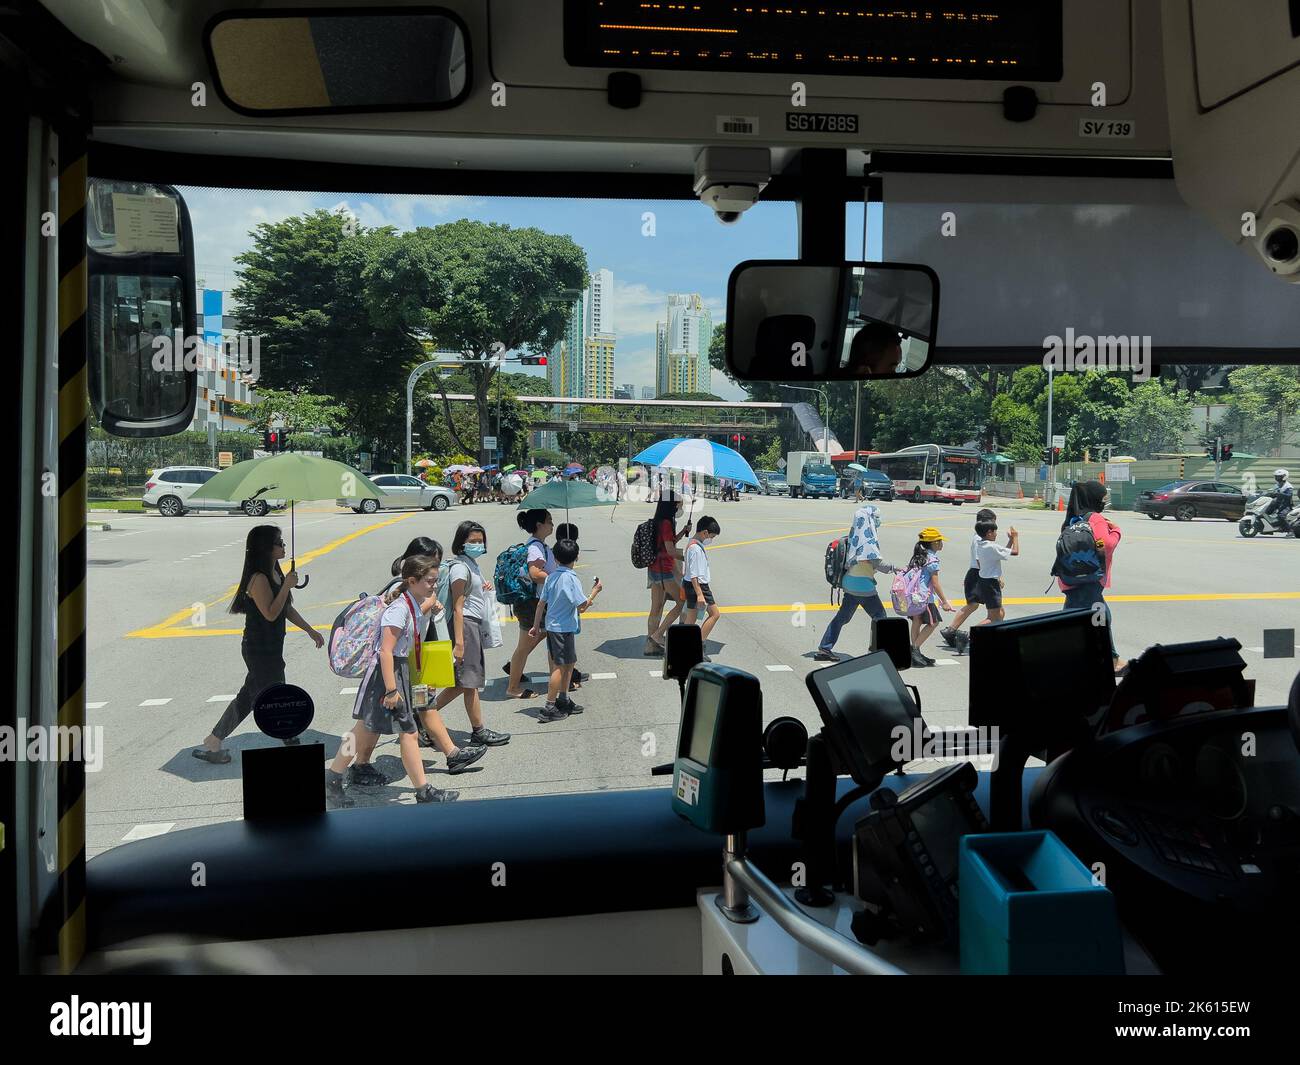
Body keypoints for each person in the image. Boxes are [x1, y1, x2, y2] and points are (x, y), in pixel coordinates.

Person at [326, 555, 472, 805]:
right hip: (386, 677)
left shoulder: (411, 602)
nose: (433, 586)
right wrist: (392, 690)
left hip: (396, 672)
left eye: (436, 581)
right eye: (429, 581)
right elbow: (385, 651)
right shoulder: (399, 609)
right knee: (381, 731)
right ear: (412, 581)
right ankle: (335, 777)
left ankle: (335, 777)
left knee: (394, 732)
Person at [194, 525, 321, 764]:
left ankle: (214, 741)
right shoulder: (258, 579)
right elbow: (271, 614)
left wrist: (310, 630)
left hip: (273, 646)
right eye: (279, 542)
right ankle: (289, 737)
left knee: (252, 695)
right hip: (258, 647)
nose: (283, 546)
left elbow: (286, 609)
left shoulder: (275, 570)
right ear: (266, 547)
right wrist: (286, 586)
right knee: (275, 693)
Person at [428, 521, 512, 744]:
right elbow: (457, 607)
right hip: (465, 626)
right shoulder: (459, 568)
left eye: (480, 541)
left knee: (462, 683)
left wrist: (483, 590)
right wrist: (459, 643)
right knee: (470, 682)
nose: (478, 544)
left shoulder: (471, 564)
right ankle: (478, 731)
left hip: (470, 625)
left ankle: (425, 719)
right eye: (472, 541)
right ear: (461, 543)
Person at [1057, 480, 1126, 674]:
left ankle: (1108, 659)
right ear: (1095, 499)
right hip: (1089, 579)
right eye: (1103, 498)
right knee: (1089, 620)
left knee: (1099, 616)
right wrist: (1117, 531)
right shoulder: (1095, 518)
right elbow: (1107, 544)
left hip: (1075, 578)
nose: (1105, 502)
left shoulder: (1075, 517)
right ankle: (1110, 661)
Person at [814, 503, 898, 662]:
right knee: (880, 617)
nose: (878, 521)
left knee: (842, 618)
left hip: (849, 584)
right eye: (876, 518)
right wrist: (895, 568)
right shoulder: (867, 540)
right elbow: (876, 563)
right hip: (863, 587)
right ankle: (877, 650)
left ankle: (825, 648)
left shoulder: (855, 535)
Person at [531, 538, 601, 721]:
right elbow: (582, 606)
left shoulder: (551, 576)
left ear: (555, 557)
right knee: (559, 668)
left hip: (554, 626)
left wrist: (536, 625)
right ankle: (549, 706)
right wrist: (595, 591)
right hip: (563, 628)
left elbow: (541, 603)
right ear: (576, 557)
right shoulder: (571, 579)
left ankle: (564, 698)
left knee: (569, 663)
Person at [504, 508, 555, 701]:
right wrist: (557, 577)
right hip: (531, 603)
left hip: (536, 602)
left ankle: (557, 678)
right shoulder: (535, 547)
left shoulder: (540, 546)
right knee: (524, 646)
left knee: (547, 635)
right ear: (539, 525)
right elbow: (535, 574)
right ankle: (513, 687)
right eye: (549, 521)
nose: (552, 524)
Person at [941, 508, 998, 650]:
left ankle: (951, 630)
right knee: (997, 612)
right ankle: (969, 636)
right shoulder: (981, 539)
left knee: (973, 605)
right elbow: (981, 561)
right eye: (993, 523)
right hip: (981, 575)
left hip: (975, 574)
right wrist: (994, 576)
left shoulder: (977, 536)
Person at [645, 495, 690, 654]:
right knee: (681, 602)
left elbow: (669, 543)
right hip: (664, 570)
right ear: (670, 505)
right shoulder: (666, 524)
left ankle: (650, 646)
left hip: (654, 569)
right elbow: (670, 551)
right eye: (677, 504)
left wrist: (684, 531)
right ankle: (658, 635)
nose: (678, 507)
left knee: (656, 608)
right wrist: (686, 558)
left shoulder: (660, 521)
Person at [907, 528, 953, 668]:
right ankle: (914, 649)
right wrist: (944, 601)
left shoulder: (918, 556)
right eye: (939, 541)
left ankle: (916, 653)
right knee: (933, 623)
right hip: (924, 597)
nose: (941, 544)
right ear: (933, 543)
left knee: (917, 620)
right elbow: (935, 583)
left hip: (913, 596)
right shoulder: (932, 559)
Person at [968, 519, 1019, 627]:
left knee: (1000, 613)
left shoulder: (982, 545)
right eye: (995, 532)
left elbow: (1002, 552)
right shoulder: (991, 546)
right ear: (989, 533)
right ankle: (969, 637)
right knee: (992, 617)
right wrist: (1015, 537)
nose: (996, 534)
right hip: (991, 583)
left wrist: (1010, 540)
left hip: (985, 581)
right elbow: (1015, 552)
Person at [681, 516, 722, 649]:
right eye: (712, 536)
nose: (711, 539)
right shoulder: (696, 549)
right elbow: (694, 574)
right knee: (715, 614)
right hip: (698, 586)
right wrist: (699, 594)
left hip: (692, 585)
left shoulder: (693, 543)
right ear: (705, 532)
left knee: (691, 617)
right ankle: (699, 644)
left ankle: (685, 646)